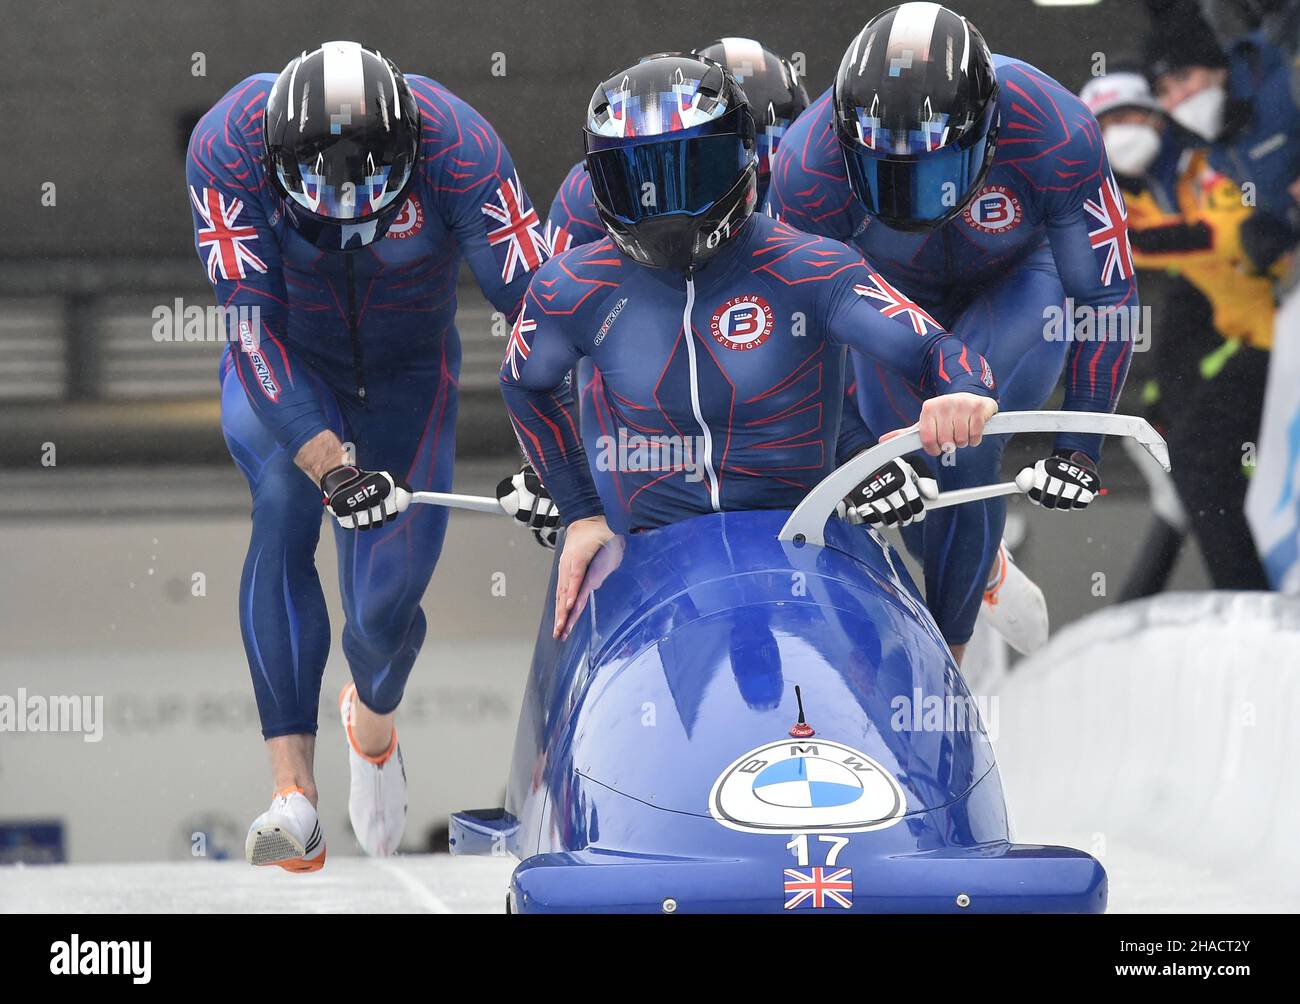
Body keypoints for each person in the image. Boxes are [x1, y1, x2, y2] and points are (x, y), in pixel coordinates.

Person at [187, 41, 553, 871]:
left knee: (381, 613)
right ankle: (294, 793)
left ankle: (374, 721)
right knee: (283, 502)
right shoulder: (226, 144)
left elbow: (540, 312)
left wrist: (556, 460)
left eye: (371, 199)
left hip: (406, 375)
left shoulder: (460, 145)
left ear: (410, 157)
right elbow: (250, 325)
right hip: (286, 359)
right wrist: (328, 465)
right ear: (277, 161)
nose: (349, 218)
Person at [499, 53, 1000, 639]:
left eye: (692, 170)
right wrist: (582, 512)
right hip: (655, 565)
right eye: (641, 179)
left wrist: (963, 394)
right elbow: (523, 382)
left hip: (806, 548)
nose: (665, 206)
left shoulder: (811, 268)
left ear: (740, 158)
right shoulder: (570, 288)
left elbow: (936, 352)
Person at [767, 3, 1136, 661]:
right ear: (848, 143)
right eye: (887, 167)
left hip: (1021, 279)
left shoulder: (1056, 130)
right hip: (888, 287)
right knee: (895, 466)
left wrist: (1080, 444)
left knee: (960, 445)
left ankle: (947, 670)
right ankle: (982, 566)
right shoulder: (805, 165)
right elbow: (797, 336)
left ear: (989, 135)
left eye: (933, 168)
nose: (913, 195)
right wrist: (853, 453)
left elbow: (1103, 291)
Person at [541, 40, 864, 534]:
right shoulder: (602, 189)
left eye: (770, 144)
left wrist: (858, 452)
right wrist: (558, 469)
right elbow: (554, 332)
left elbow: (836, 326)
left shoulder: (804, 185)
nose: (758, 165)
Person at [1081, 71, 1275, 594]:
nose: (1125, 131)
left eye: (1133, 115)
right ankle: (1248, 591)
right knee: (1197, 457)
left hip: (1277, 331)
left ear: (1157, 116)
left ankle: (1249, 596)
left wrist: (1148, 240)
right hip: (1264, 340)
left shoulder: (1202, 163)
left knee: (1200, 458)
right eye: (1109, 123)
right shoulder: (1134, 198)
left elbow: (1235, 232)